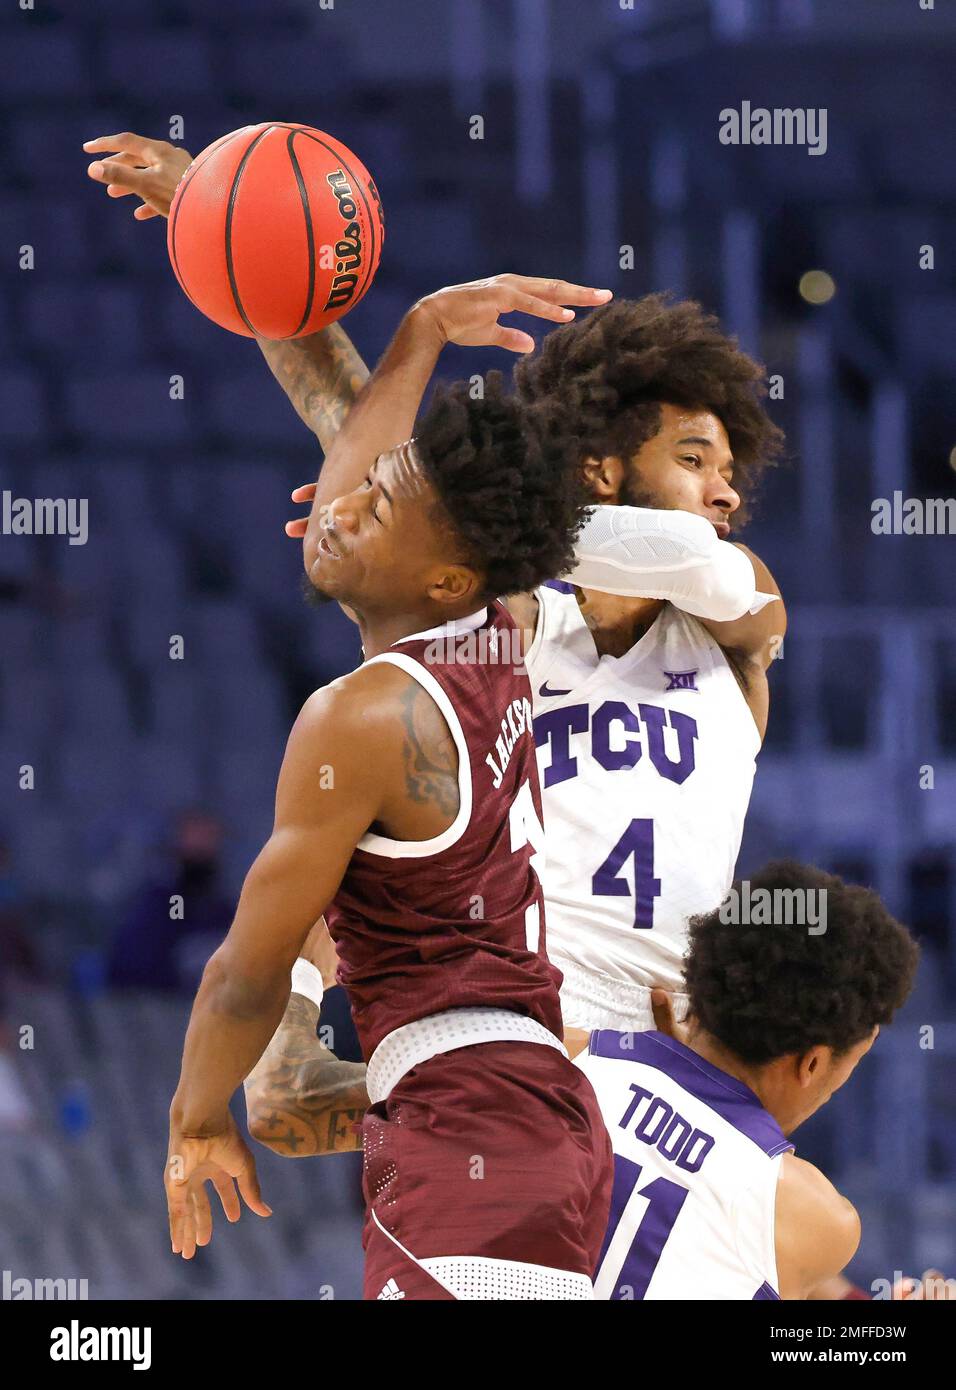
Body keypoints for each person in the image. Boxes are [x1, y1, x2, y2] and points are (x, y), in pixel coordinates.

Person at [570, 861, 921, 1300]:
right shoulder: (817, 1215)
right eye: (853, 1061)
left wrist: (682, 1064)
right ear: (812, 1064)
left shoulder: (564, 1057)